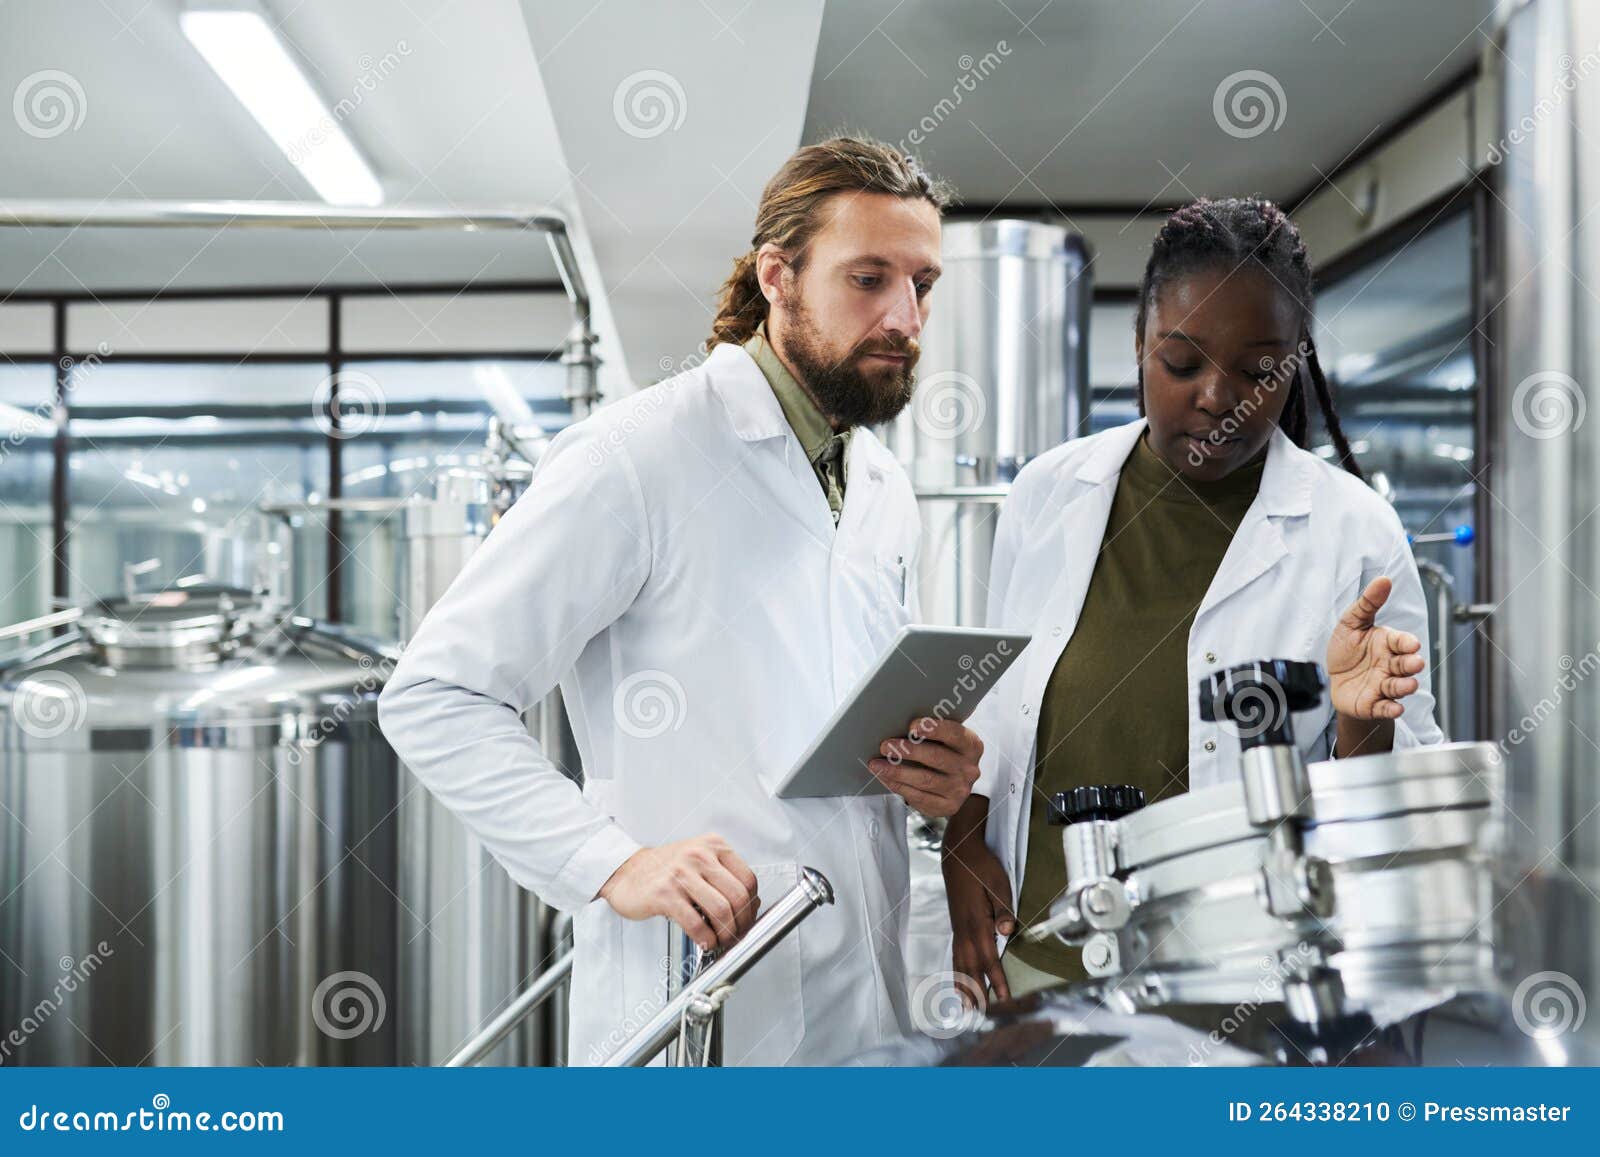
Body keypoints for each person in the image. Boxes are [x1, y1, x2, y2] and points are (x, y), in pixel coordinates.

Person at [379, 137, 985, 1066]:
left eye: (923, 284)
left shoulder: (881, 484)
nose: (905, 317)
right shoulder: (637, 456)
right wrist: (614, 862)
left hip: (868, 998)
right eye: (869, 279)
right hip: (700, 995)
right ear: (779, 276)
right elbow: (436, 694)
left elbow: (833, 720)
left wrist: (933, 776)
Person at [942, 197, 1442, 1001]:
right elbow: (997, 705)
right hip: (1038, 963)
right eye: (1181, 363)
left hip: (1245, 989)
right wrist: (962, 839)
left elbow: (1396, 821)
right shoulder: (1046, 494)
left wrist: (1362, 726)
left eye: (1259, 371)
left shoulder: (1355, 532)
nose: (1218, 397)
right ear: (1139, 342)